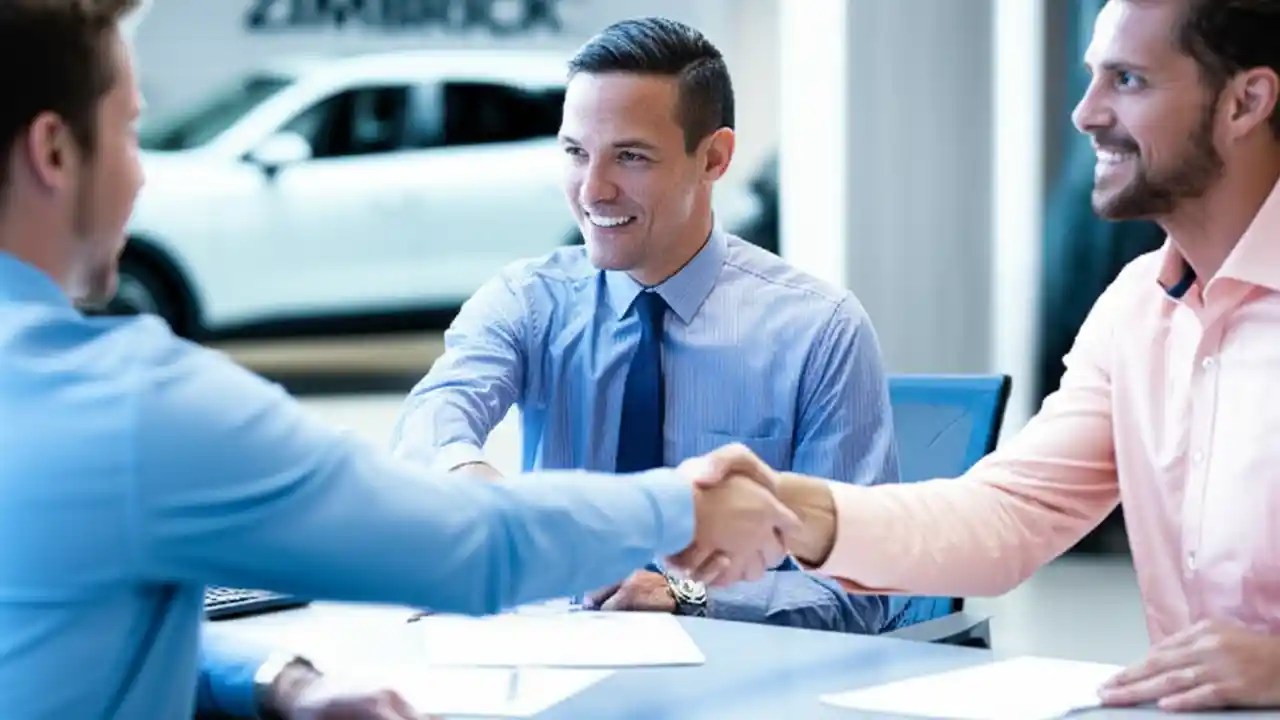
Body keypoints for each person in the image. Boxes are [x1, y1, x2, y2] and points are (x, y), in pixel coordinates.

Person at [0, 3, 799, 718]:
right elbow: (472, 547)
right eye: (129, 132)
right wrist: (685, 508)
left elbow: (81, 618)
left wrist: (277, 680)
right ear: (54, 152)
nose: (142, 173)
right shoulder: (134, 404)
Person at [682, 0, 1280, 712]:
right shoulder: (1137, 308)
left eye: (1128, 80)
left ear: (1246, 102)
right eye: (1093, 77)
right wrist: (796, 510)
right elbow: (1009, 514)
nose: (1085, 113)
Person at [391, 17, 897, 634]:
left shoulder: (819, 330)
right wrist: (482, 493)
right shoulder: (528, 300)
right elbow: (430, 421)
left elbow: (857, 595)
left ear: (713, 158)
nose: (593, 190)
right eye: (576, 153)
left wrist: (686, 596)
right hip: (556, 664)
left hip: (737, 672)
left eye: (630, 157)